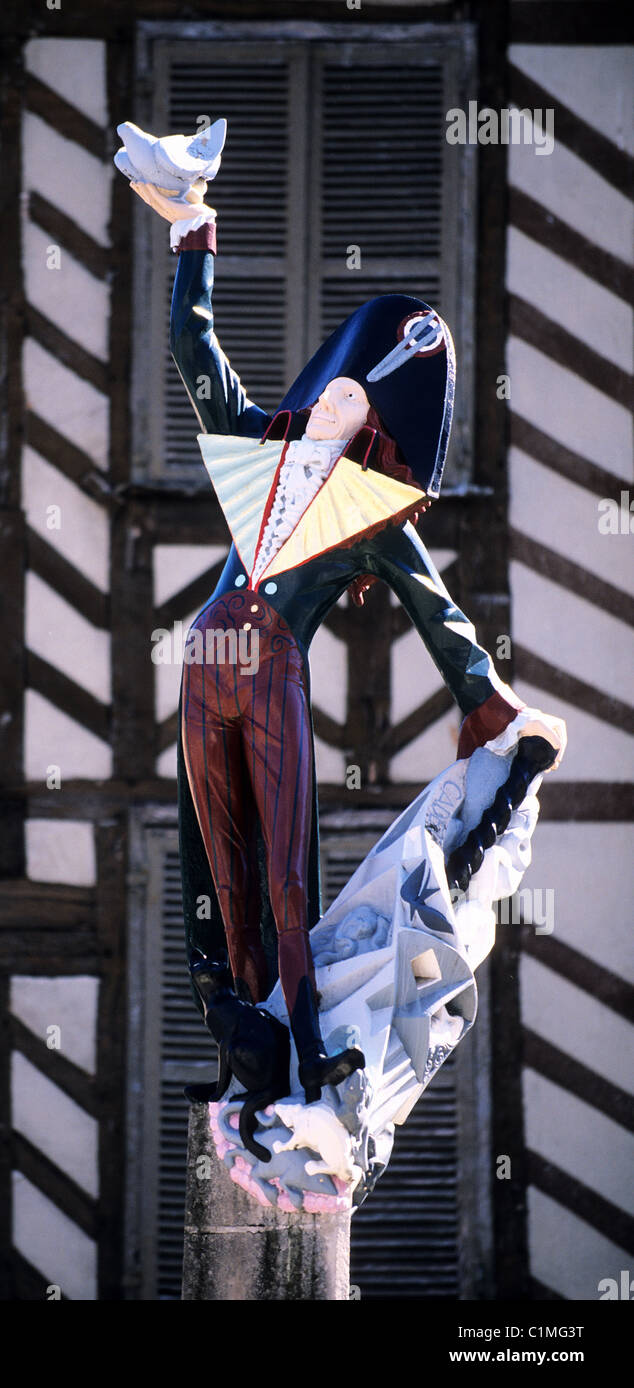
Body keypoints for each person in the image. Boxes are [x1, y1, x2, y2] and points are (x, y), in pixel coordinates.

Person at [125, 167, 566, 1110]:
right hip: (208, 659)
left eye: (350, 399)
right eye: (330, 392)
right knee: (214, 852)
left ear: (373, 425)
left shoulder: (372, 517)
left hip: (273, 664)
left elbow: (436, 613)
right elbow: (193, 350)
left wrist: (493, 707)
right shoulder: (258, 448)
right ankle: (240, 1043)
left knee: (287, 871)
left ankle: (310, 1044)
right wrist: (194, 238)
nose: (329, 399)